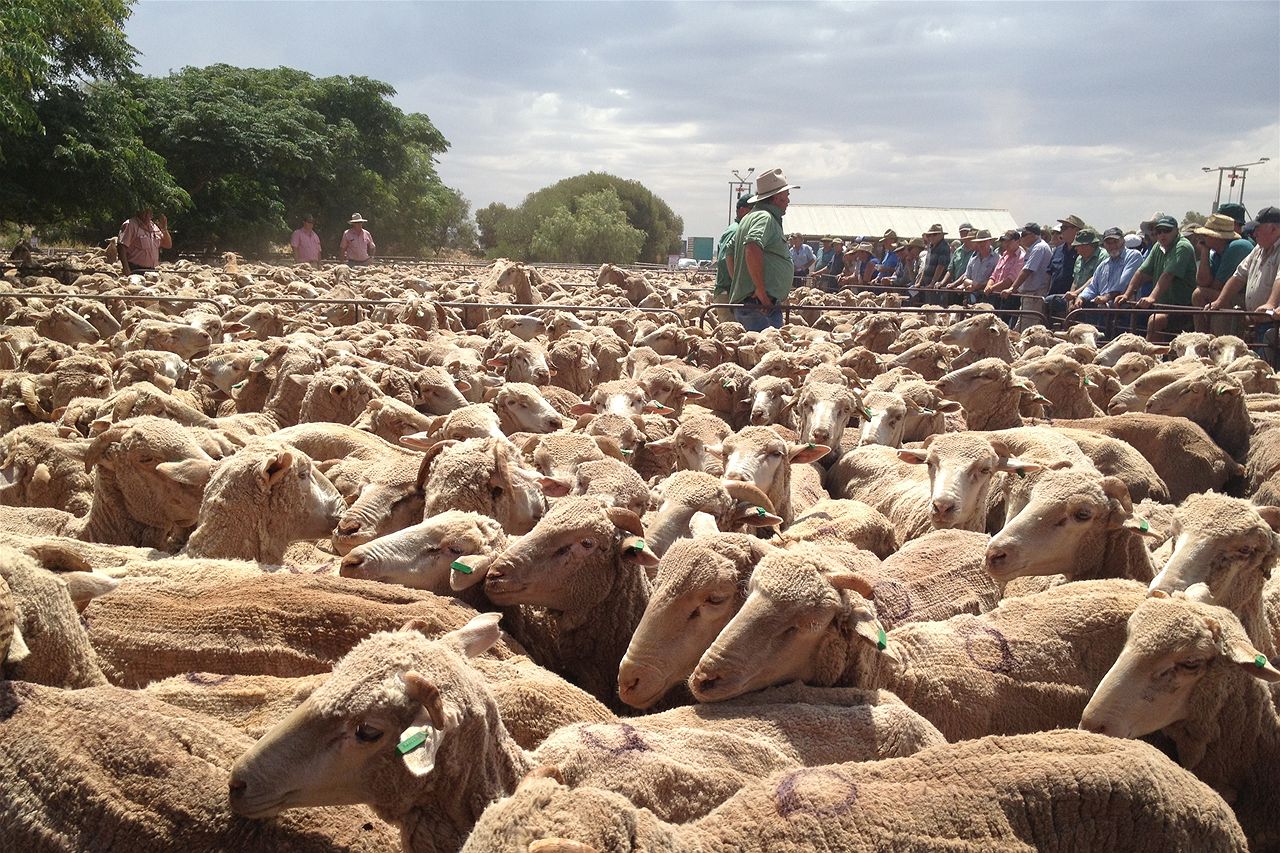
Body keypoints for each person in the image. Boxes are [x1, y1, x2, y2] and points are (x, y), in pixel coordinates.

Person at [725, 168, 799, 332]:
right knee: (765, 353)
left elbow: (729, 253)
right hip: (760, 307)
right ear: (776, 198)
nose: (788, 201)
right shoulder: (764, 218)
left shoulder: (751, 217)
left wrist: (741, 282)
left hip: (757, 304)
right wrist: (759, 290)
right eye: (786, 197)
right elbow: (752, 246)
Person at [1206, 206, 1280, 361]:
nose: (1254, 233)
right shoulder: (1258, 249)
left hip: (1273, 323)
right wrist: (1220, 301)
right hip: (1257, 321)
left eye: (1258, 229)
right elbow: (1239, 276)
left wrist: (1271, 304)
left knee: (1268, 368)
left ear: (1273, 229)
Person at [1116, 215, 1197, 342]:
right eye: (1159, 232)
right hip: (1163, 306)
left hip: (1183, 307)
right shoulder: (1158, 247)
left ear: (1176, 230)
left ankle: (1150, 358)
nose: (1162, 235)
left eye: (1167, 231)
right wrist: (1127, 294)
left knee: (1155, 321)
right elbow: (1142, 272)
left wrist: (1151, 297)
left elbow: (1168, 275)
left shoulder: (1182, 247)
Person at [1190, 213, 1254, 333]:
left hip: (1243, 300)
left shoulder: (1237, 247)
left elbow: (1216, 286)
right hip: (1228, 298)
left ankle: (1210, 337)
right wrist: (1205, 251)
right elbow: (1203, 282)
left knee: (1199, 294)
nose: (1201, 238)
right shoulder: (1217, 253)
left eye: (1205, 235)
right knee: (1198, 294)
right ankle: (1203, 336)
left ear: (1216, 236)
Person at [1044, 229, 1103, 320]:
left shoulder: (1102, 256)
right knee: (1049, 301)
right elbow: (1075, 280)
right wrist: (1071, 300)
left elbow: (1094, 279)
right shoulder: (1079, 258)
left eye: (1077, 246)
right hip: (1076, 297)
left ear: (1086, 246)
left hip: (1093, 299)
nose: (1075, 249)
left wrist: (1077, 294)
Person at [1007, 223, 1052, 329]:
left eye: (1023, 234)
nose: (1021, 238)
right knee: (1021, 328)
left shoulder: (1039, 248)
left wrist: (1012, 288)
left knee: (1027, 329)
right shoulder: (1035, 247)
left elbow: (1028, 270)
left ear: (1032, 235)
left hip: (1035, 294)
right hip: (1030, 294)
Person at [716, 193, 755, 304]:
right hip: (729, 293)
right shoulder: (736, 230)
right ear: (742, 210)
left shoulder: (741, 229)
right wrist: (739, 285)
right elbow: (724, 260)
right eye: (753, 210)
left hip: (733, 292)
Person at [118, 208, 172, 275]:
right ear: (138, 212)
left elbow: (167, 245)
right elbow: (122, 247)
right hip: (135, 270)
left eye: (149, 212)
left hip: (151, 271)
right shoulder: (130, 225)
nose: (147, 215)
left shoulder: (154, 227)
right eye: (145, 212)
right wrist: (126, 268)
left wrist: (164, 229)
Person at [985, 230, 1026, 309]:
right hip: (996, 296)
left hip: (1010, 298)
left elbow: (1010, 280)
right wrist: (988, 285)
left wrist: (991, 288)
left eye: (1008, 241)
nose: (1005, 244)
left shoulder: (1021, 257)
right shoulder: (1004, 256)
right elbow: (994, 274)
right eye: (1004, 241)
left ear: (1017, 241)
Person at [954, 229, 998, 303]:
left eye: (984, 241)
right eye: (979, 242)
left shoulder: (997, 259)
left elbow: (996, 278)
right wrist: (974, 284)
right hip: (971, 298)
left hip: (988, 298)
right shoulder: (973, 259)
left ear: (990, 242)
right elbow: (965, 278)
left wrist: (977, 286)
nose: (981, 244)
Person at [1048, 214, 1085, 296]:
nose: (1061, 231)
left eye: (1064, 228)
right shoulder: (1057, 250)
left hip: (1071, 299)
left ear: (1076, 230)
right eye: (1061, 227)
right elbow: (1049, 275)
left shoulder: (1083, 251)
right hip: (1053, 298)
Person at [916, 223, 951, 302]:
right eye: (929, 235)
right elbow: (926, 266)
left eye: (934, 234)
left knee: (936, 308)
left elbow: (940, 266)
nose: (931, 237)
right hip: (927, 284)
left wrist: (933, 282)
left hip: (936, 286)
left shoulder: (944, 247)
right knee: (926, 305)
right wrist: (920, 282)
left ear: (941, 235)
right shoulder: (930, 247)